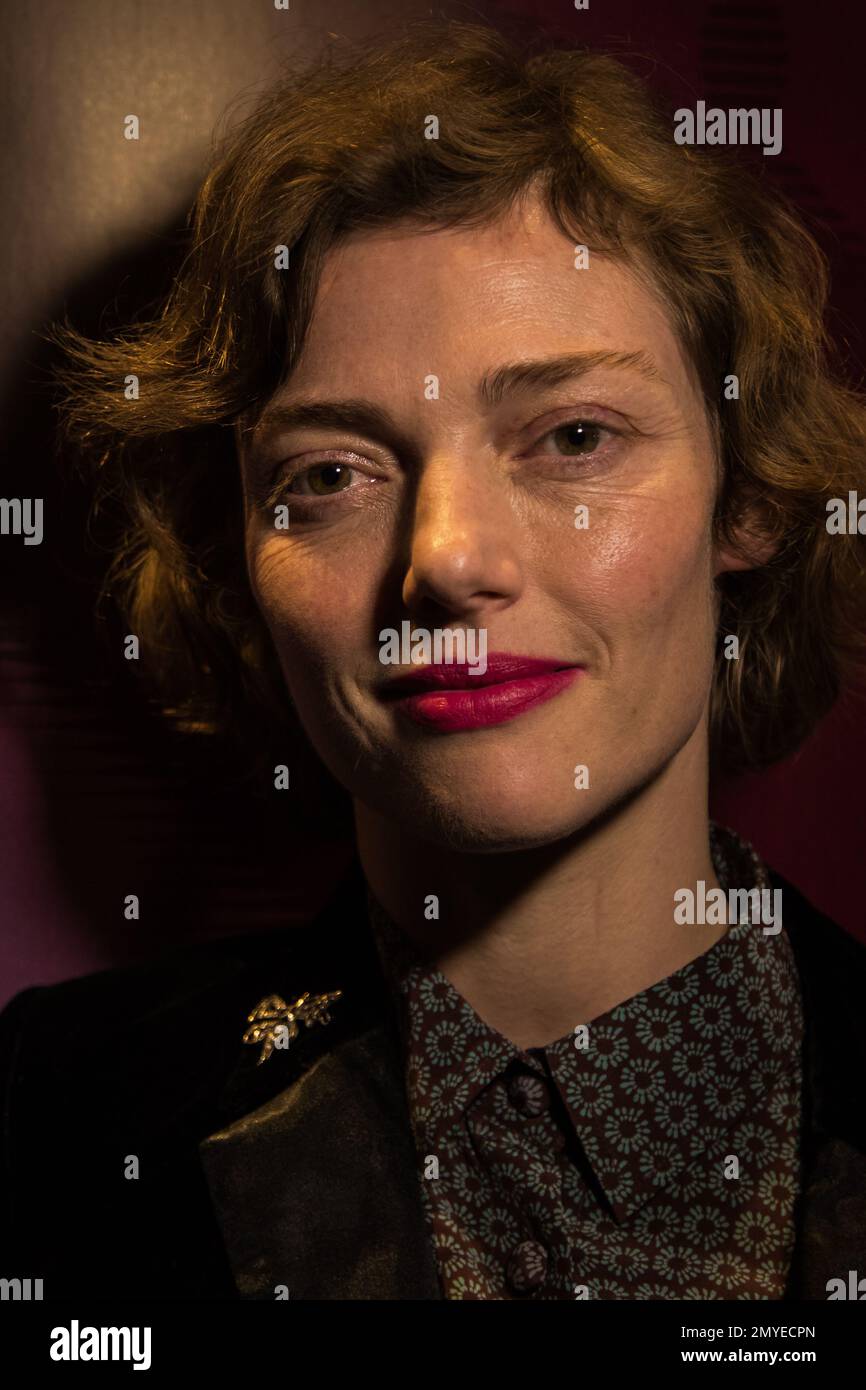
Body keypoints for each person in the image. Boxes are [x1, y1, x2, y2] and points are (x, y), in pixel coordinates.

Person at [2, 18, 866, 1302]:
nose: (448, 558)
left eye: (572, 435)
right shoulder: (46, 1127)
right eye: (331, 473)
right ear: (238, 555)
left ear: (747, 501)